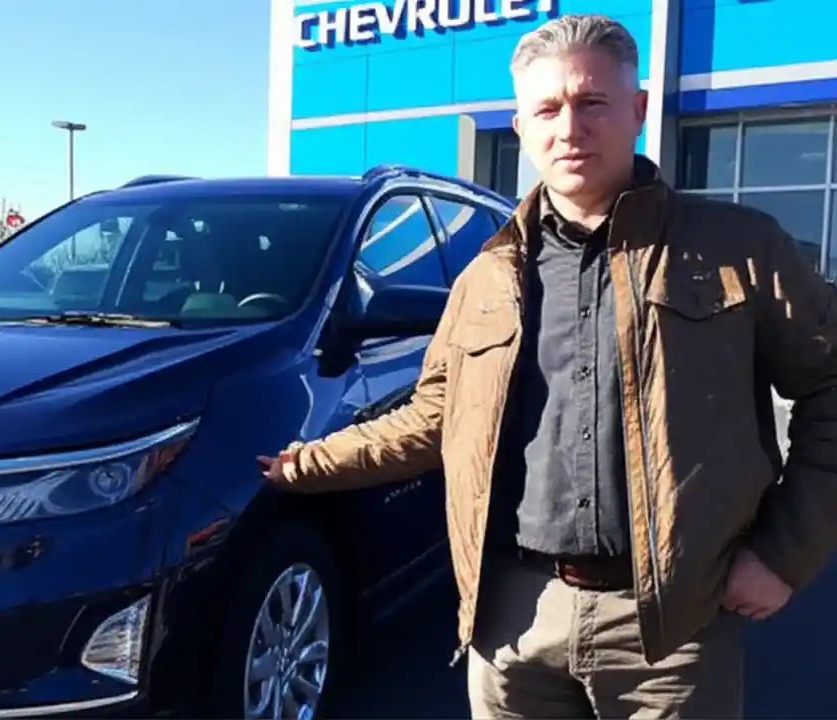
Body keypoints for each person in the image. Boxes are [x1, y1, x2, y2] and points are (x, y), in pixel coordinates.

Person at [259, 12, 837, 719]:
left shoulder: (738, 249)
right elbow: (433, 417)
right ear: (523, 125)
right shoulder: (485, 277)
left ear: (637, 110)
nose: (570, 126)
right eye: (548, 108)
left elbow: (829, 385)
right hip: (511, 624)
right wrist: (306, 463)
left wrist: (784, 552)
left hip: (672, 632)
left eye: (592, 101)